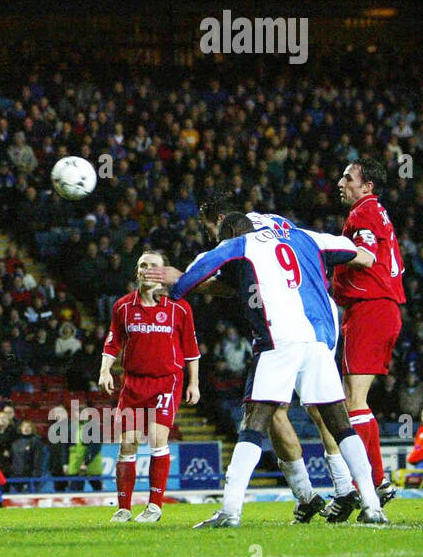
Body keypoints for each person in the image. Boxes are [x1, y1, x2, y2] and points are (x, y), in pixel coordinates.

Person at [147, 212, 388, 527]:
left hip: (278, 341)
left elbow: (199, 271)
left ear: (230, 232)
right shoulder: (306, 236)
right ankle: (372, 505)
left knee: (254, 423)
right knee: (340, 424)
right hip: (317, 341)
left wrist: (174, 288)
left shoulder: (240, 243)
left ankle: (230, 510)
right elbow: (350, 250)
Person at [195, 190, 348, 521]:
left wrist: (186, 283)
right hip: (319, 313)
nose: (212, 239)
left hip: (288, 324)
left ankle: (322, 490)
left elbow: (226, 284)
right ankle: (337, 488)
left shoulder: (239, 239)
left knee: (269, 409)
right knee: (310, 407)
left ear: (220, 222)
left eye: (210, 231)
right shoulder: (277, 222)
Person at [98, 249, 200, 523]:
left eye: (153, 265)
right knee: (128, 444)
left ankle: (154, 506)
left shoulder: (180, 307)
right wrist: (105, 370)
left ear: (164, 273)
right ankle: (123, 508)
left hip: (167, 381)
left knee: (157, 439)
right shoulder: (122, 306)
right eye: (142, 265)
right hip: (133, 382)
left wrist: (195, 383)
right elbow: (112, 342)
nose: (146, 269)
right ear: (137, 272)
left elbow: (191, 349)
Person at [330, 158, 406, 507]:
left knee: (352, 402)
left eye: (348, 177)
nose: (341, 182)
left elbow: (366, 257)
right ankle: (376, 481)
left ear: (367, 187)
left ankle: (367, 487)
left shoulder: (363, 212)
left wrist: (324, 251)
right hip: (382, 309)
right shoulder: (377, 212)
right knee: (357, 401)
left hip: (370, 308)